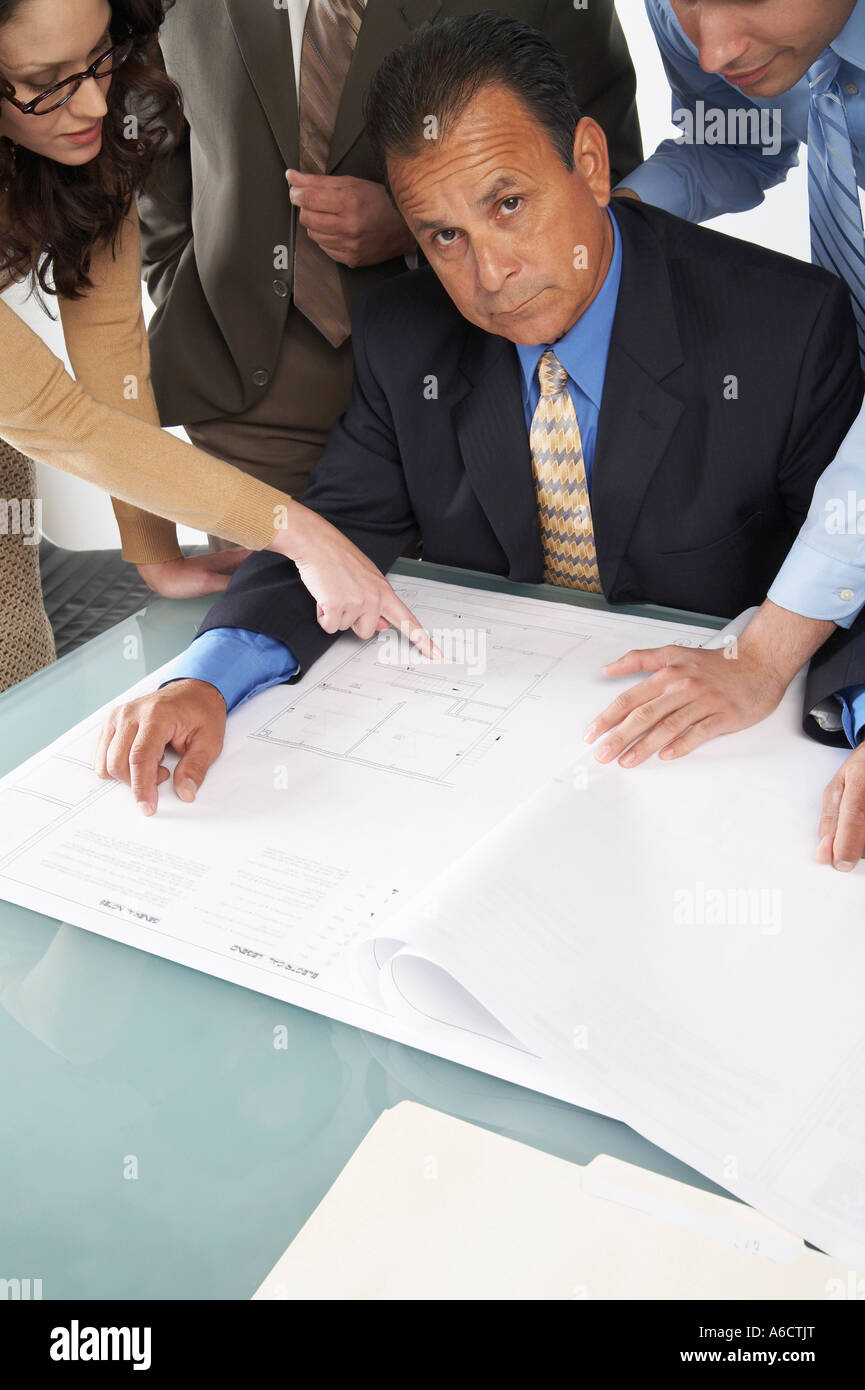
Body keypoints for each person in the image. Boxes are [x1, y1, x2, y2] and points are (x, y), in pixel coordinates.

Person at [95, 10, 865, 874]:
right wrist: (206, 675)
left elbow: (854, 562)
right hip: (504, 779)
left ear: (586, 161)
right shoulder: (407, 335)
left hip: (719, 787)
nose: (489, 274)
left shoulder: (785, 329)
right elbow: (336, 524)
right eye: (443, 236)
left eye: (509, 205)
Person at [0, 0, 434, 694]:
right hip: (23, 405)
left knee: (10, 654)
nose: (89, 102)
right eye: (47, 79)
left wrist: (154, 551)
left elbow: (113, 352)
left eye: (98, 58)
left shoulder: (98, 127)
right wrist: (301, 532)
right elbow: (53, 416)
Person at [138, 0, 644, 547]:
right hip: (255, 399)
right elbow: (154, 170)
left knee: (481, 621)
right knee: (278, 616)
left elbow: (609, 186)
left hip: (480, 378)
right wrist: (182, 293)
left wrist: (420, 230)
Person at [605, 0, 865, 867]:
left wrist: (760, 658)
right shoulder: (717, 28)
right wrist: (611, 229)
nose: (711, 48)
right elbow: (734, 139)